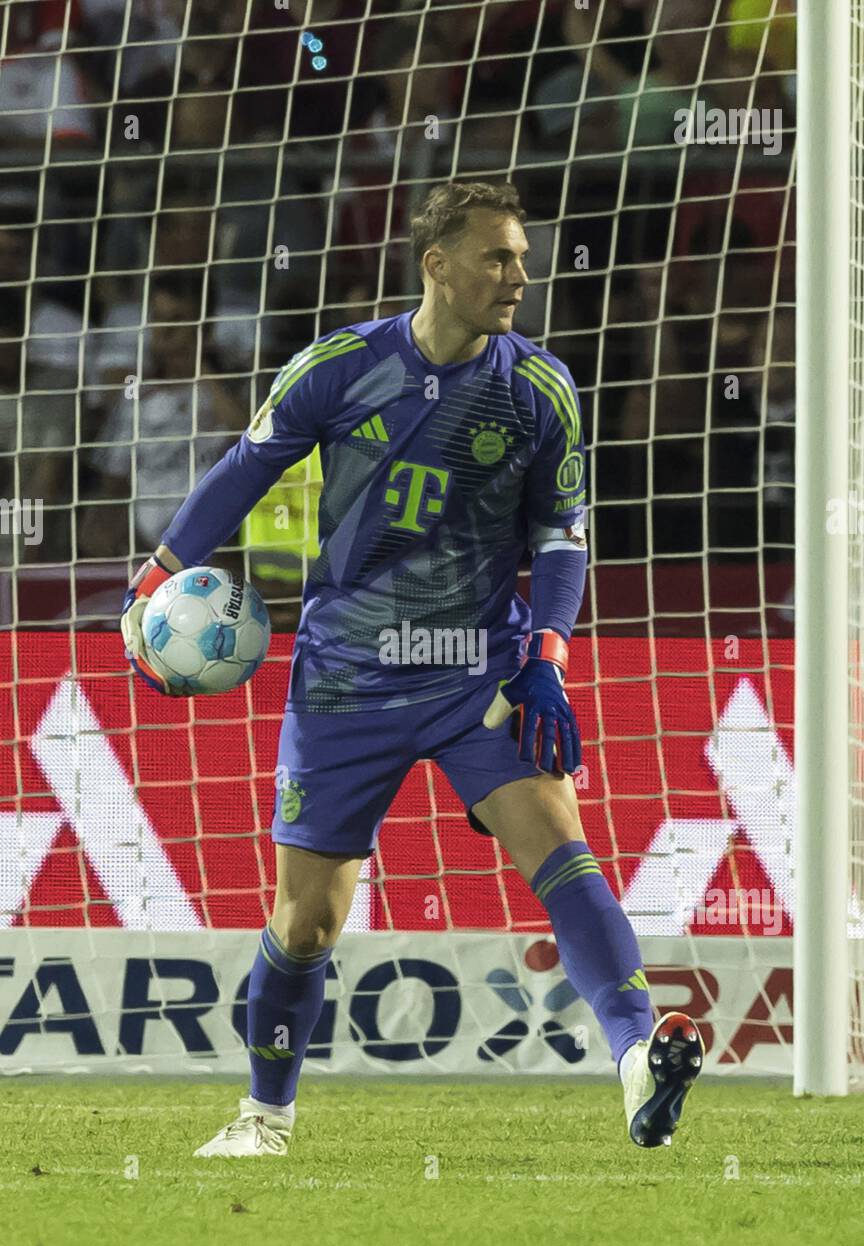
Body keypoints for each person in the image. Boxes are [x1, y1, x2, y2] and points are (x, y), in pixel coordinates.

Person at [120, 181, 703, 1156]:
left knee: (561, 853)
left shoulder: (539, 388)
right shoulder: (341, 368)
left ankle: (637, 1055)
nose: (519, 275)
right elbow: (241, 472)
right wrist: (152, 586)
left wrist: (546, 658)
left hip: (480, 673)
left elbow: (561, 540)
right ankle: (265, 1114)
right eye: (497, 257)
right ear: (436, 265)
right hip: (345, 680)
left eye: (520, 257)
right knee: (305, 924)